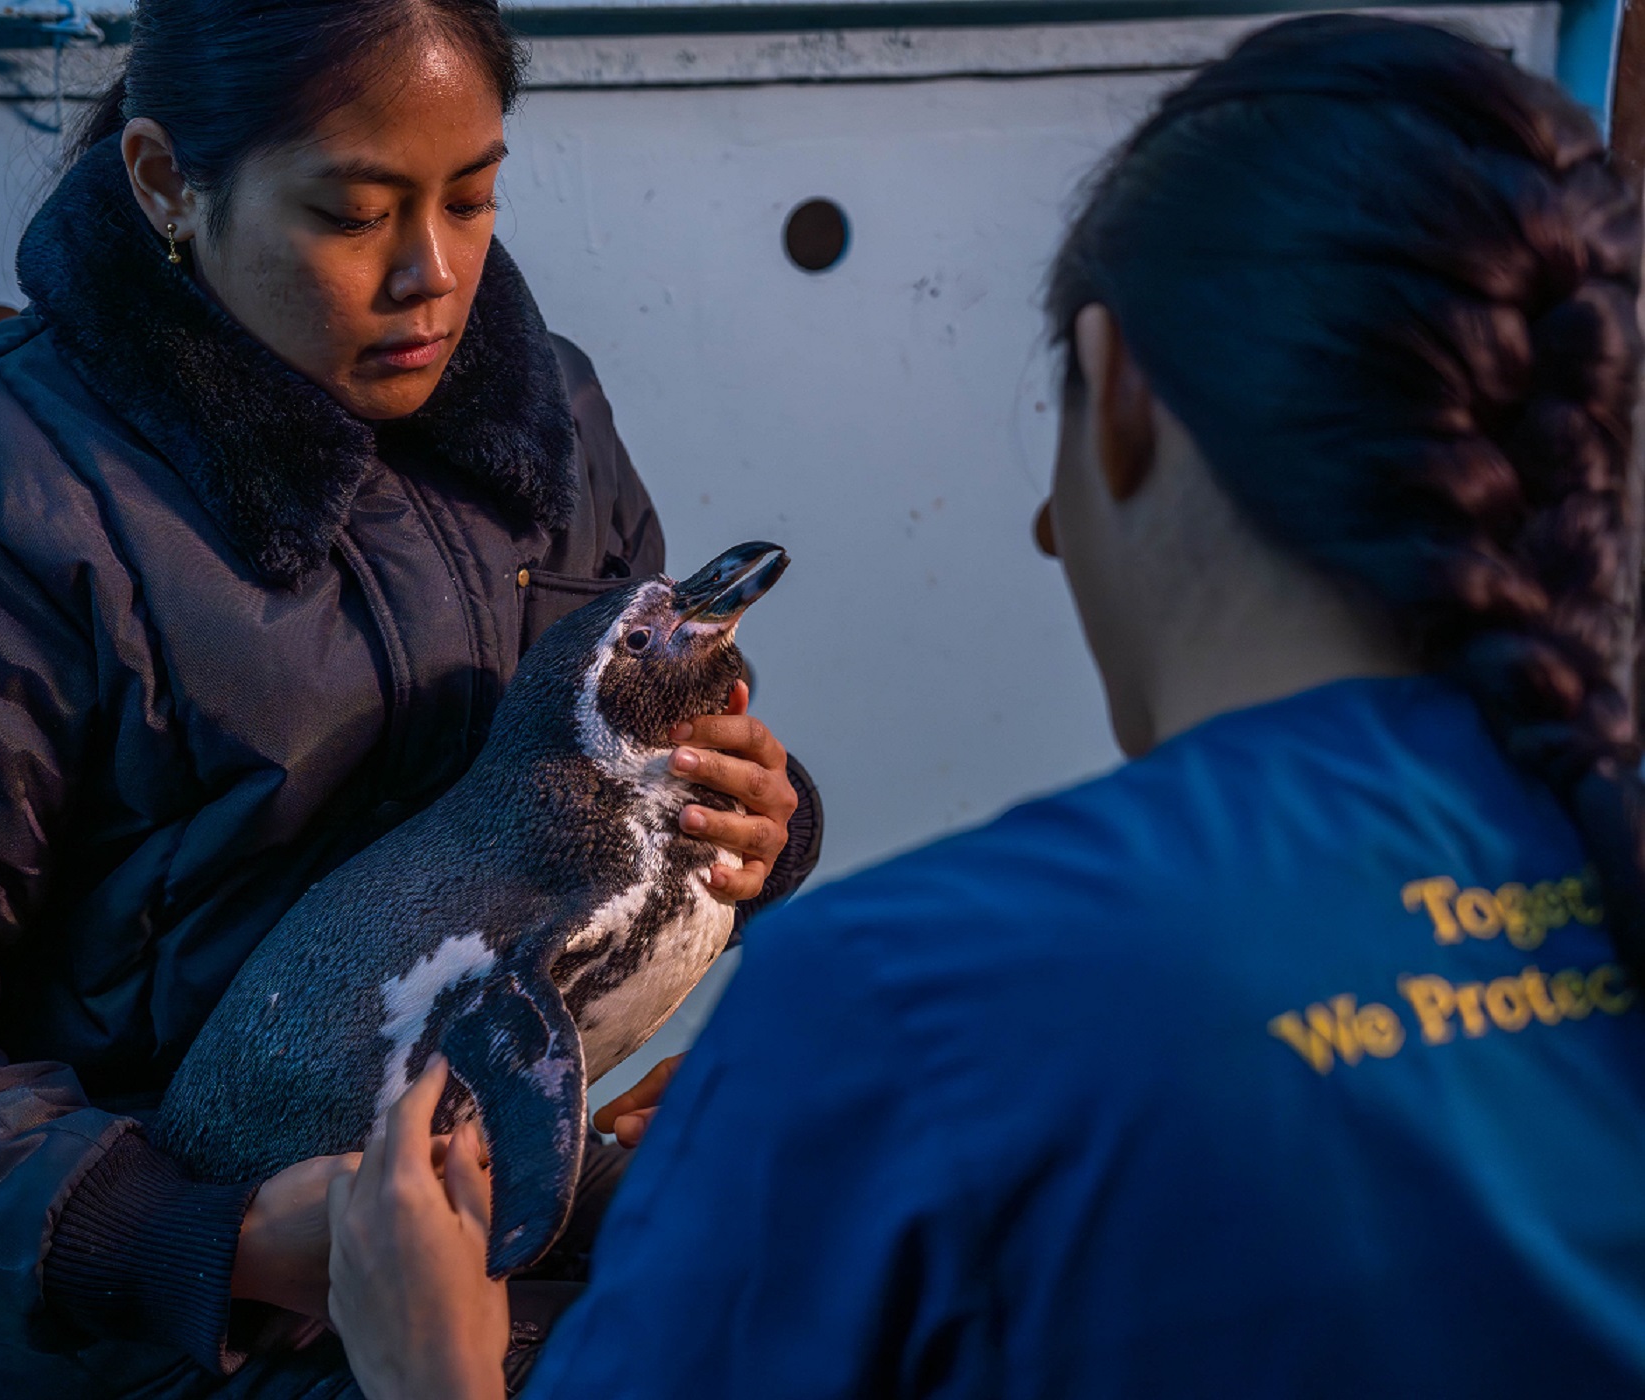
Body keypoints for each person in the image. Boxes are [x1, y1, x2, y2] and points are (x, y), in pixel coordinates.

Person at [323, 16, 1645, 1398]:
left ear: (1121, 394)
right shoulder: (1595, 848)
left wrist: (432, 1371)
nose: (1044, 529)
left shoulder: (899, 1005)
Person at [0, 2, 821, 1397]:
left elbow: (607, 776)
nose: (434, 275)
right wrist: (209, 1240)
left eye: (475, 194)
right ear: (163, 180)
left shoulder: (545, 409)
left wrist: (753, 821)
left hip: (518, 1228)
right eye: (354, 213)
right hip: (200, 1336)